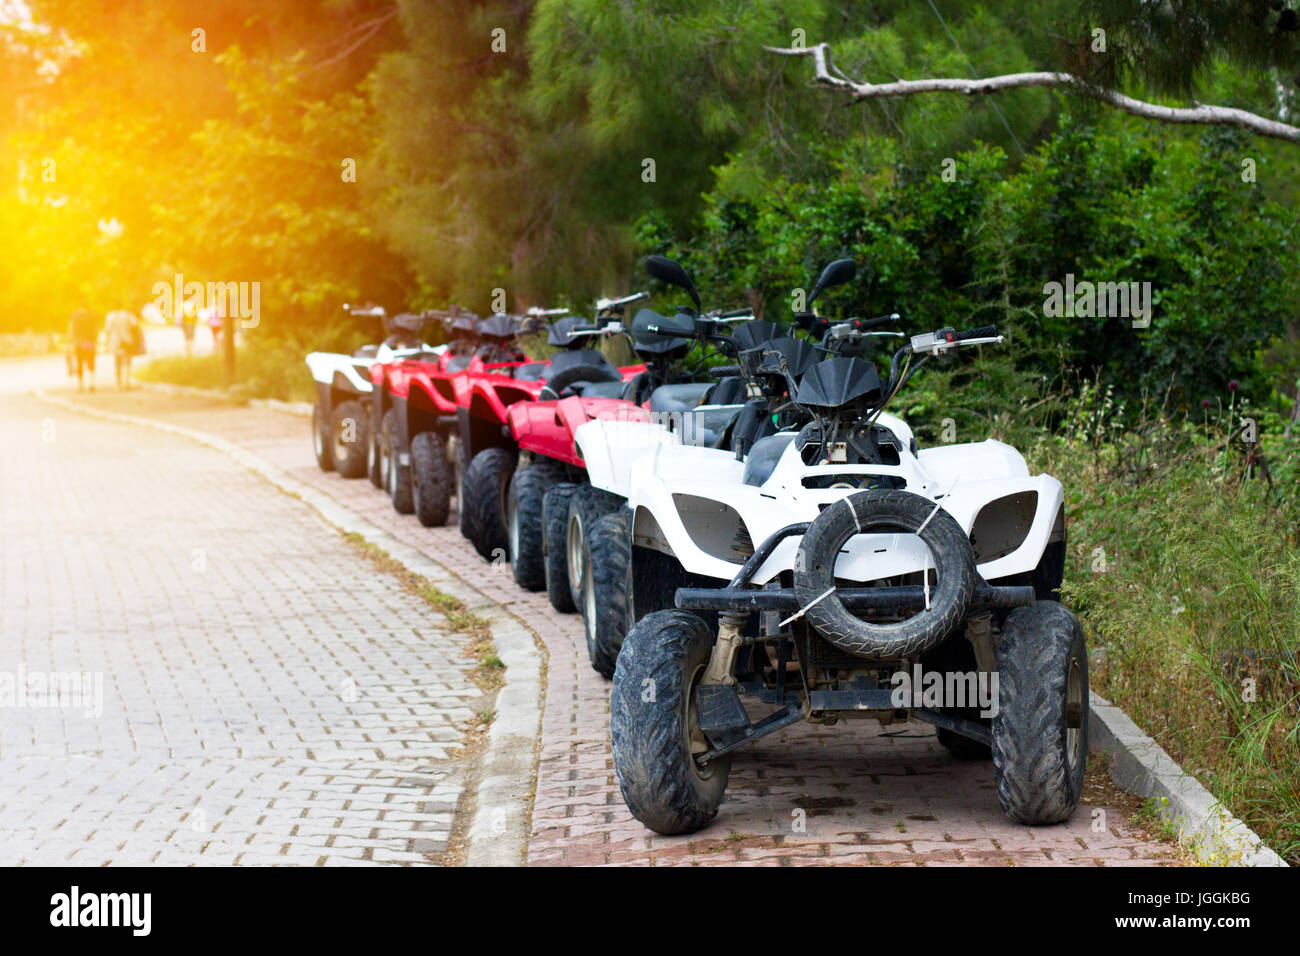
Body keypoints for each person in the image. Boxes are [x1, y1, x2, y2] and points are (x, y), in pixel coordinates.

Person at [105, 309, 141, 389]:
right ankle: (126, 382)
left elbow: (107, 330)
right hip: (127, 340)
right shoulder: (128, 315)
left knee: (117, 362)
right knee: (127, 361)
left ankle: (118, 383)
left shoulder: (110, 316)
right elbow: (136, 326)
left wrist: (107, 343)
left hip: (115, 341)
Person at [69, 308, 100, 392]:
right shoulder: (92, 316)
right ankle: (91, 383)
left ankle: (80, 385)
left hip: (79, 341)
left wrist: (71, 341)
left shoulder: (75, 316)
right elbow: (95, 329)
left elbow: (71, 330)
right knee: (91, 361)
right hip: (88, 341)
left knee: (79, 362)